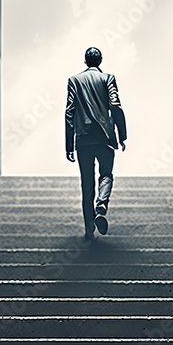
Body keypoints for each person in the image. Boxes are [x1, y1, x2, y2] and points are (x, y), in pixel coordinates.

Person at [65, 47, 127, 240]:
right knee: (106, 175)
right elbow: (115, 105)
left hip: (83, 139)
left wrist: (69, 144)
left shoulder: (74, 80)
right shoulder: (108, 78)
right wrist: (122, 134)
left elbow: (69, 112)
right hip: (105, 136)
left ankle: (89, 230)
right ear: (100, 61)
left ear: (85, 61)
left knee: (87, 184)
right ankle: (101, 205)